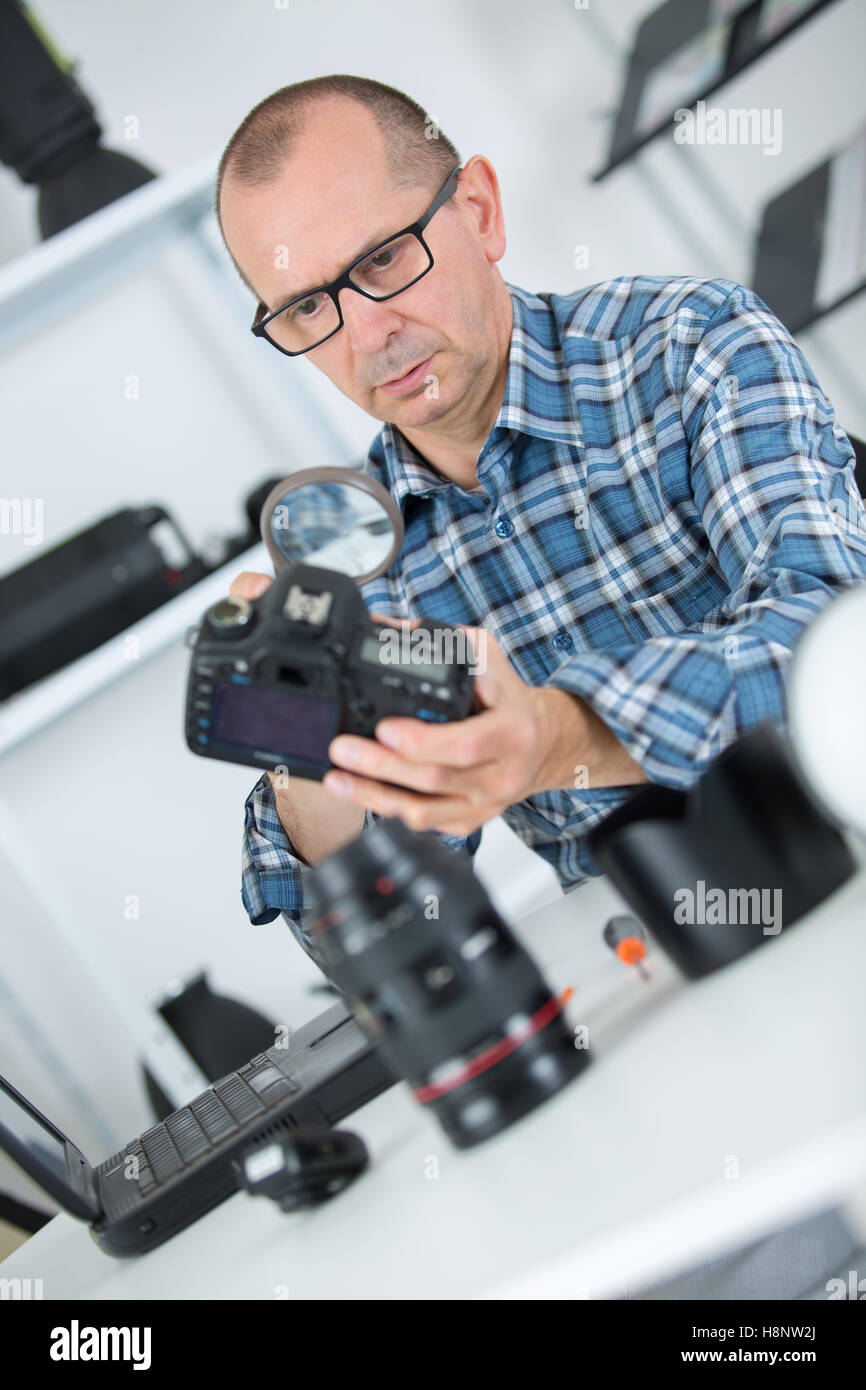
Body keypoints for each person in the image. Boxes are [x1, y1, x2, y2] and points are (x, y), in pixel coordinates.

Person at [216, 72, 866, 1303]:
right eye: (304, 306)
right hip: (672, 1015)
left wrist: (557, 739)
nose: (366, 335)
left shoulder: (689, 348)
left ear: (479, 211)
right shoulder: (361, 563)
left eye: (386, 261)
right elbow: (377, 942)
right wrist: (308, 748)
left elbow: (833, 632)